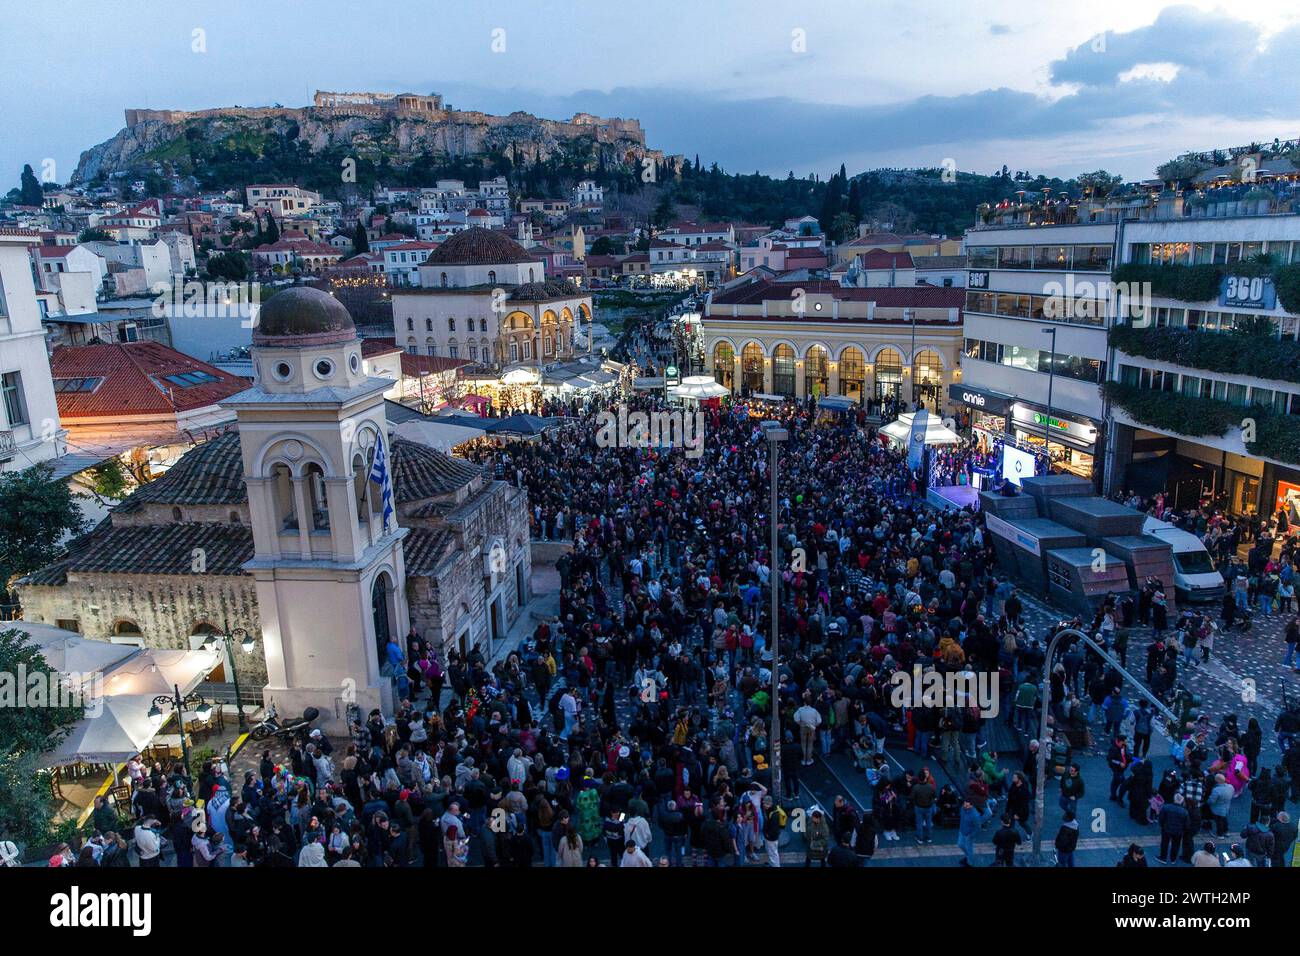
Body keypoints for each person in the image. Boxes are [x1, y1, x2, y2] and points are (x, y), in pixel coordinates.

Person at [1157, 792, 1190, 864]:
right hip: (1178, 832)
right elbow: (1186, 824)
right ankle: (1173, 859)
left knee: (1164, 843)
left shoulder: (1166, 807)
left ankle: (1163, 858)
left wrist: (1162, 825)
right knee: (1176, 845)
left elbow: (1161, 818)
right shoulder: (1185, 811)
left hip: (1166, 829)